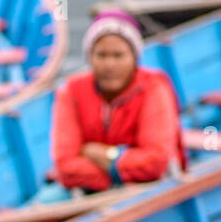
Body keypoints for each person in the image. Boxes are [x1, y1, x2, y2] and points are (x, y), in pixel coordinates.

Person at [48, 11, 186, 197]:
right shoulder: (72, 91)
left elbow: (155, 162)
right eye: (101, 55)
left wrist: (110, 157)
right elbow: (65, 166)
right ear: (90, 57)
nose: (109, 65)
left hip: (152, 190)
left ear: (134, 57)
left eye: (118, 55)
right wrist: (120, 178)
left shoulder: (153, 88)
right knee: (49, 199)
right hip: (90, 190)